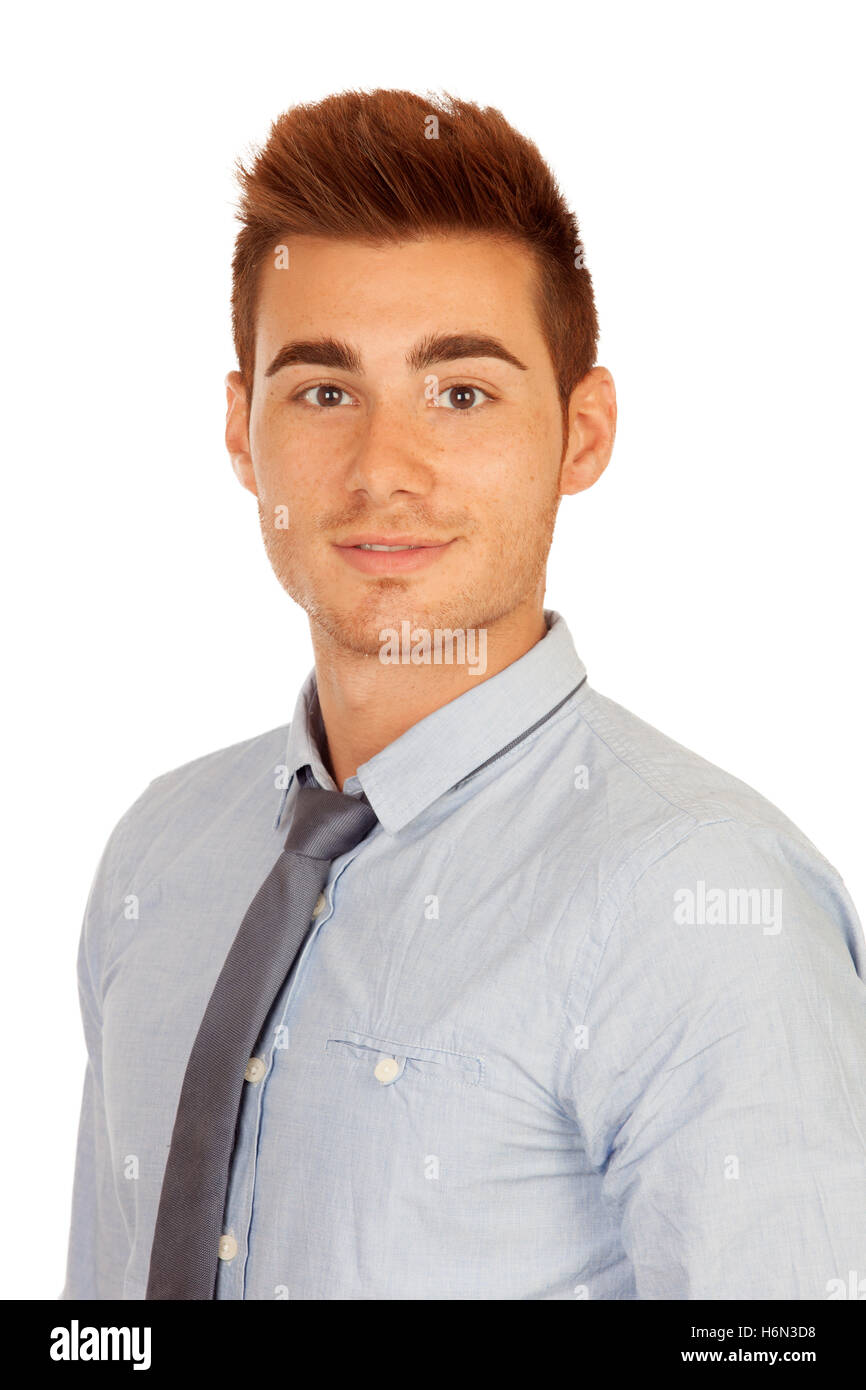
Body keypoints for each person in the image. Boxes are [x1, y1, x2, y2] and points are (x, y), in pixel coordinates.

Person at [61, 87, 866, 1301]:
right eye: (323, 391)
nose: (383, 469)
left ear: (580, 435)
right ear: (242, 431)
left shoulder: (705, 906)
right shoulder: (159, 855)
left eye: (462, 392)